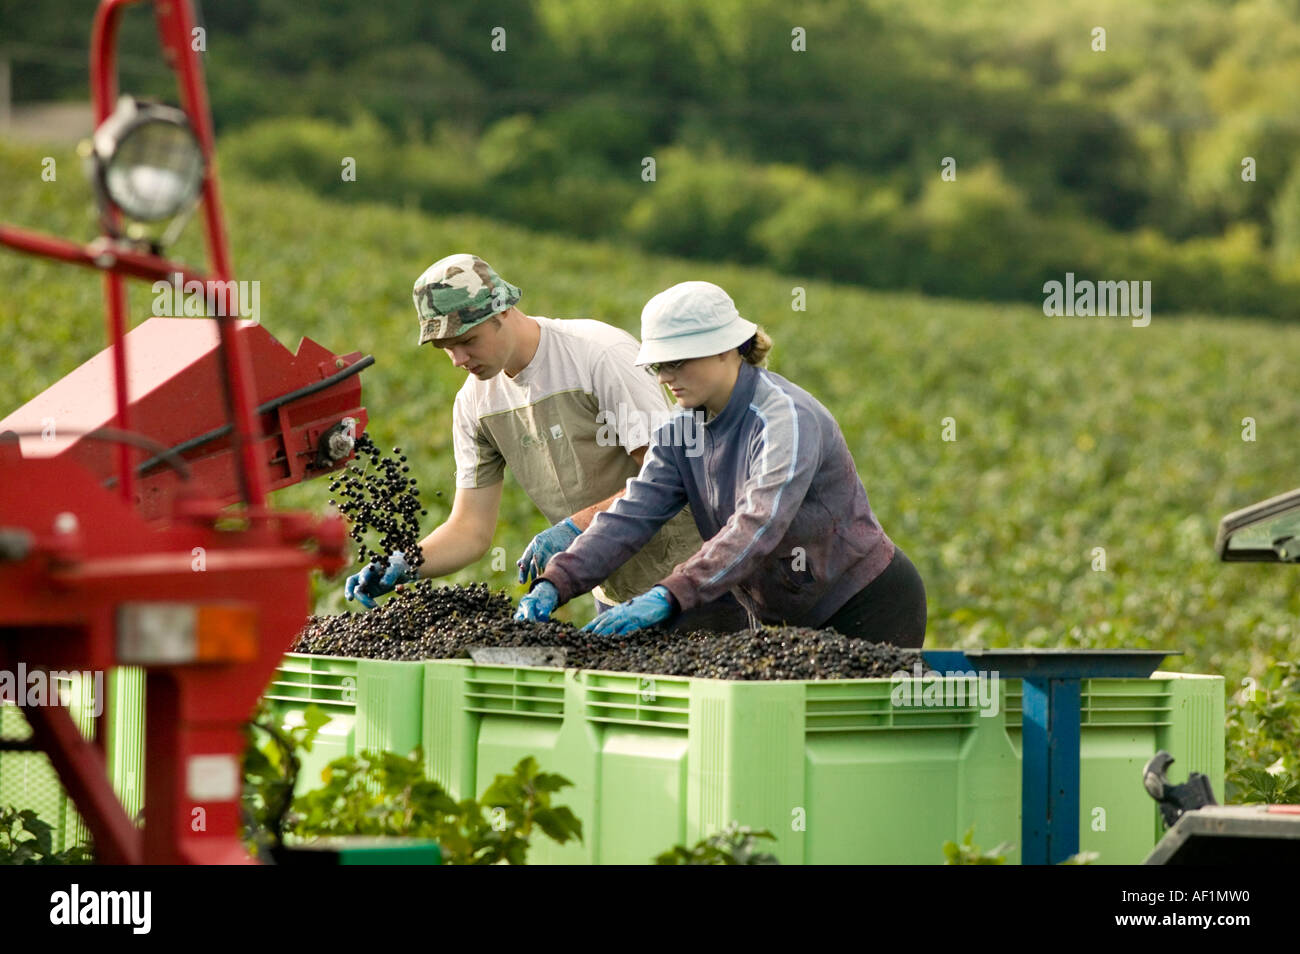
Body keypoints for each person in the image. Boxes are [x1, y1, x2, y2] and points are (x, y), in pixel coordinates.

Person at [344, 254, 750, 631]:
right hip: (613, 596)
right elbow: (470, 529)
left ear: (502, 310)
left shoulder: (598, 355)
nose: (458, 359)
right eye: (446, 348)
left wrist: (575, 527)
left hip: (700, 584)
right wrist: (408, 561)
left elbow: (672, 477)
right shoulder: (475, 404)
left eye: (467, 340)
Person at [516, 280, 927, 647]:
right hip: (788, 618)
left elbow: (758, 523)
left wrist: (670, 593)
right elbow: (634, 513)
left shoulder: (784, 419)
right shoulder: (681, 428)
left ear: (725, 350)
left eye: (677, 362)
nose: (664, 378)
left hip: (864, 604)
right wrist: (559, 579)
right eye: (659, 366)